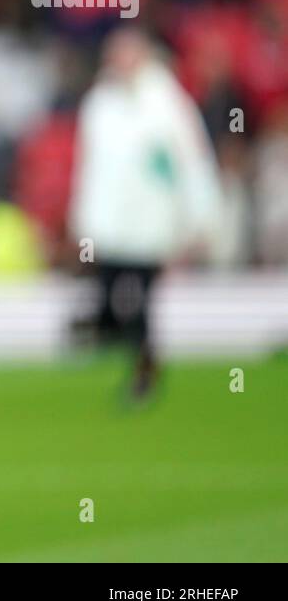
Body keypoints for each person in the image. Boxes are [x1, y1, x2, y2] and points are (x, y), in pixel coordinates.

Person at [68, 28, 220, 398]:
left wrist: (200, 217)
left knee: (136, 300)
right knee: (110, 297)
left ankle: (143, 371)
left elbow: (191, 163)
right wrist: (83, 221)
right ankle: (134, 362)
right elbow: (90, 169)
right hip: (111, 227)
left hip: (151, 224)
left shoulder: (167, 103)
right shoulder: (100, 104)